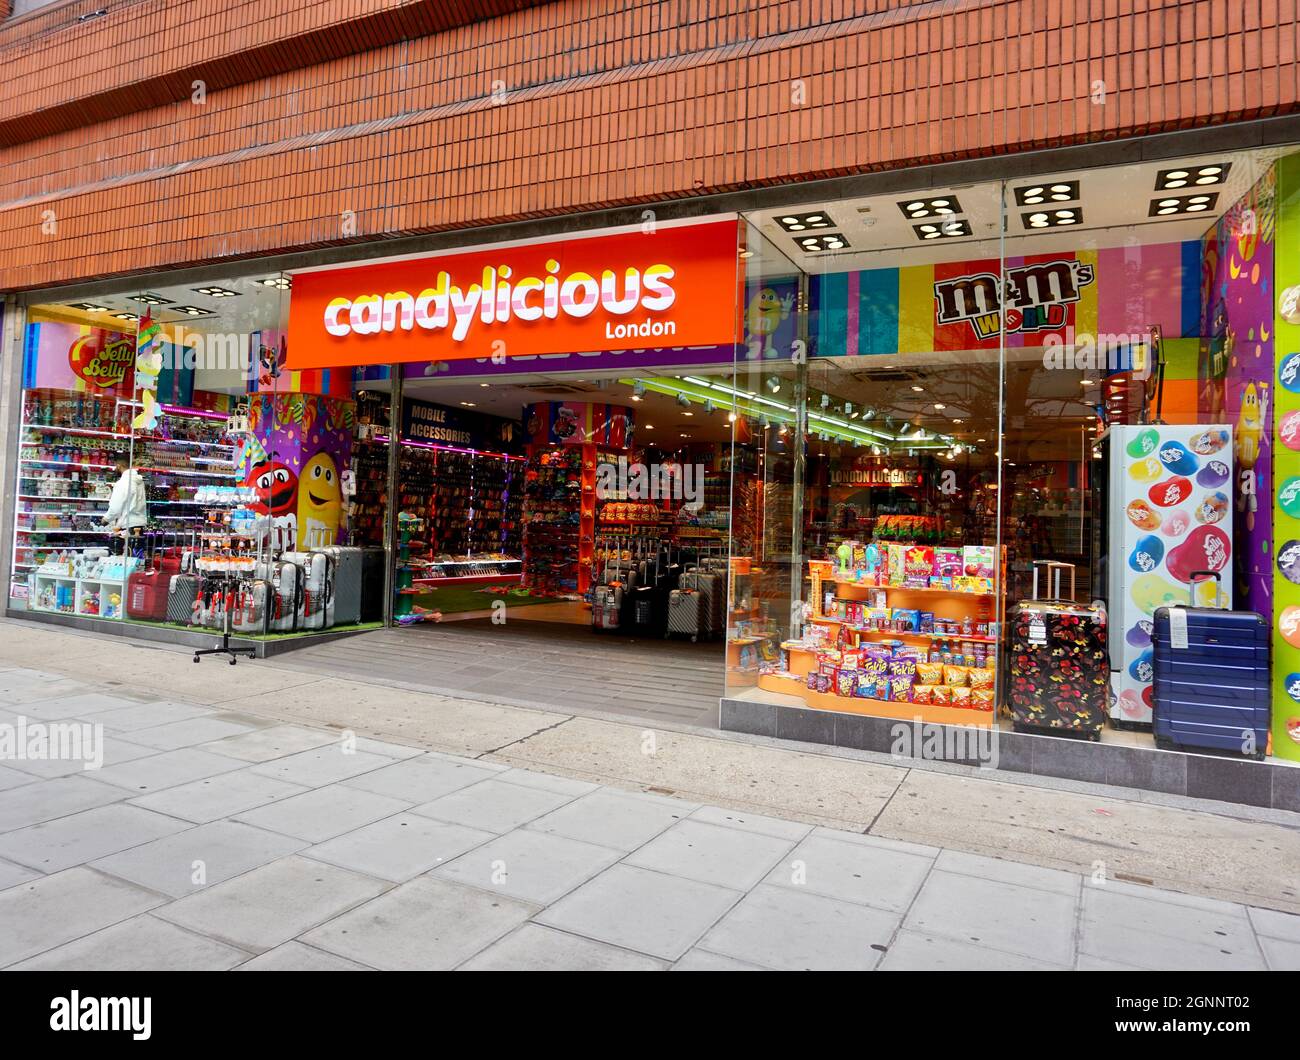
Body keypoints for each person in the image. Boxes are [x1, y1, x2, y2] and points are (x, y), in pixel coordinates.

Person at [103, 457, 148, 554]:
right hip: (138, 524)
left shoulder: (122, 483)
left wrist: (106, 519)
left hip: (127, 525)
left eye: (115, 466)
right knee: (136, 558)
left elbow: (116, 506)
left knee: (124, 558)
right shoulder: (138, 481)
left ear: (119, 466)